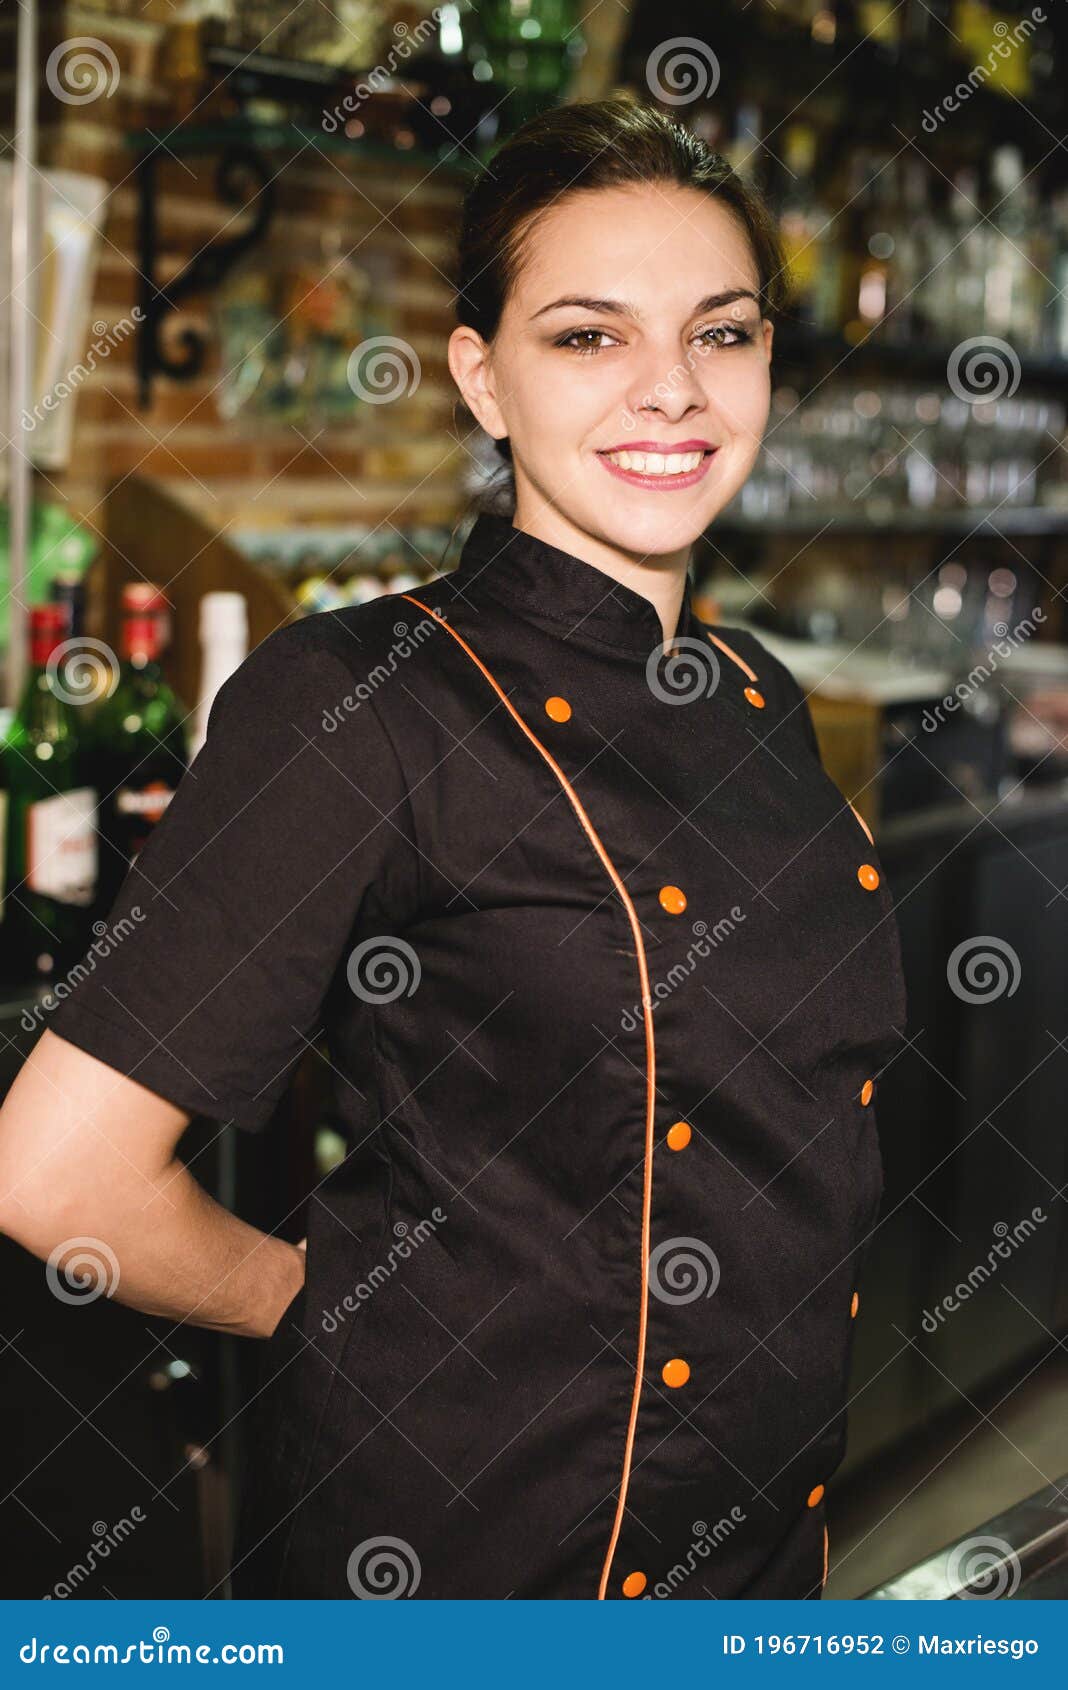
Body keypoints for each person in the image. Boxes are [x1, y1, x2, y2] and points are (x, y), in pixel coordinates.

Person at [0, 95, 906, 1600]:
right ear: (482, 380)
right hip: (483, 1562)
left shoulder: (758, 696)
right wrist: (320, 1298)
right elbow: (53, 1173)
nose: (671, 391)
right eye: (589, 337)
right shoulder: (367, 701)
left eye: (723, 333)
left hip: (755, 1556)